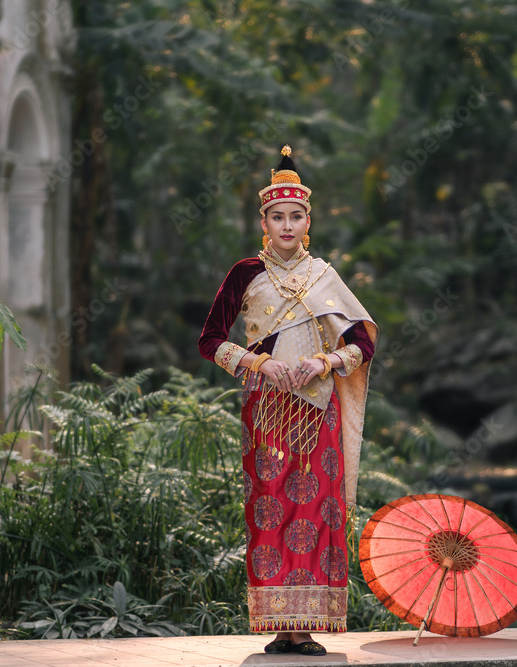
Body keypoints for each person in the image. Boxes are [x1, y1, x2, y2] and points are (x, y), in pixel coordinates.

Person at [198, 146, 377, 656]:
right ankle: (279, 626)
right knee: (269, 507)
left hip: (319, 408)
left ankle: (308, 629)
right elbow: (209, 340)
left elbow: (362, 342)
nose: (287, 224)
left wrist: (325, 363)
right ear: (264, 221)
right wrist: (258, 363)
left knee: (318, 510)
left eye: (295, 216)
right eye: (278, 216)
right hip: (267, 409)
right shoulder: (244, 274)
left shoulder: (325, 277)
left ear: (307, 221)